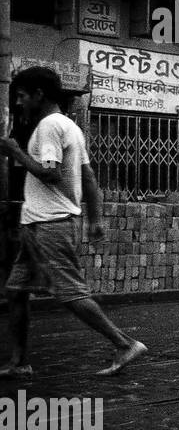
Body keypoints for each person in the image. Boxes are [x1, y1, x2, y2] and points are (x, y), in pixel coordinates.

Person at [0, 67, 148, 377]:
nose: (20, 103)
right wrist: (93, 218)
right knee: (16, 290)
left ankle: (124, 343)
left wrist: (14, 151)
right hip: (38, 223)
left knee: (70, 292)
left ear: (40, 94)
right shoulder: (71, 126)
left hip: (50, 224)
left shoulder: (50, 126)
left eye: (23, 96)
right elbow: (89, 176)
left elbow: (49, 172)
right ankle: (18, 362)